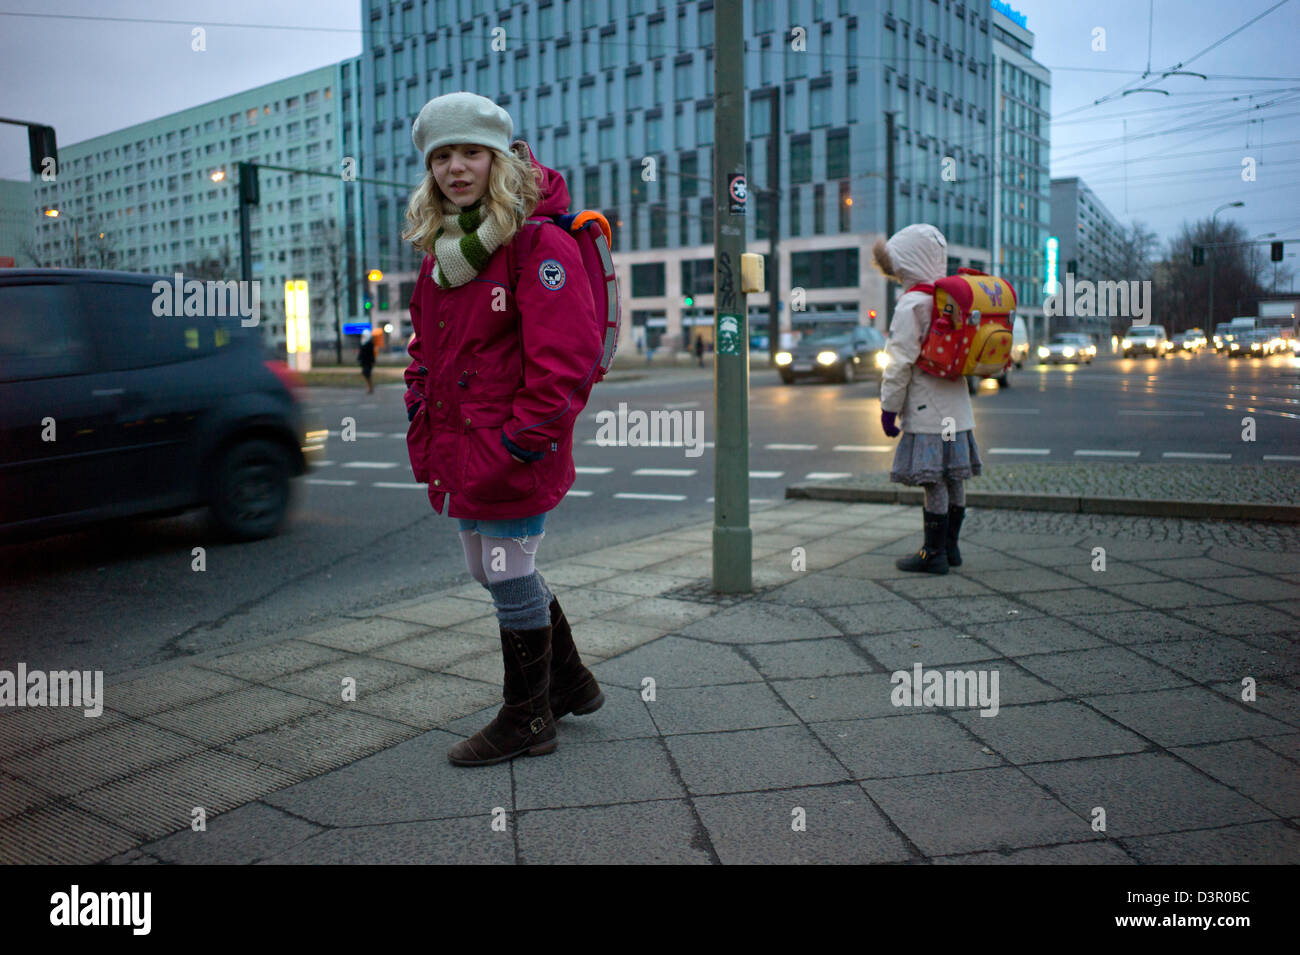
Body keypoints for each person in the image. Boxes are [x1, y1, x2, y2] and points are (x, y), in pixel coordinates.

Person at [402, 91, 605, 766]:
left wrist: (523, 439)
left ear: (498, 158)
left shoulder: (537, 239)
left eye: (471, 153)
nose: (457, 168)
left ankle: (527, 717)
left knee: (505, 567)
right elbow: (422, 348)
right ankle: (569, 680)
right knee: (487, 567)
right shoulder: (443, 251)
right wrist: (415, 405)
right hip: (464, 444)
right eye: (442, 157)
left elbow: (565, 360)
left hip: (512, 446)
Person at [873, 224, 980, 575]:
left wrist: (889, 409)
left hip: (927, 409)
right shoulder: (951, 300)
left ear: (906, 262)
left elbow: (899, 363)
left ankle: (932, 553)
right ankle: (951, 549)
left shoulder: (911, 305)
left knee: (934, 480)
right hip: (958, 411)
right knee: (954, 478)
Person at [357, 328, 375, 394]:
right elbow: (361, 353)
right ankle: (369, 387)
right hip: (364, 362)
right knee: (365, 375)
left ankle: (370, 387)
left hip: (368, 362)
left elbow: (371, 354)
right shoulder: (363, 342)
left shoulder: (369, 344)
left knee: (367, 375)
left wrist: (372, 361)